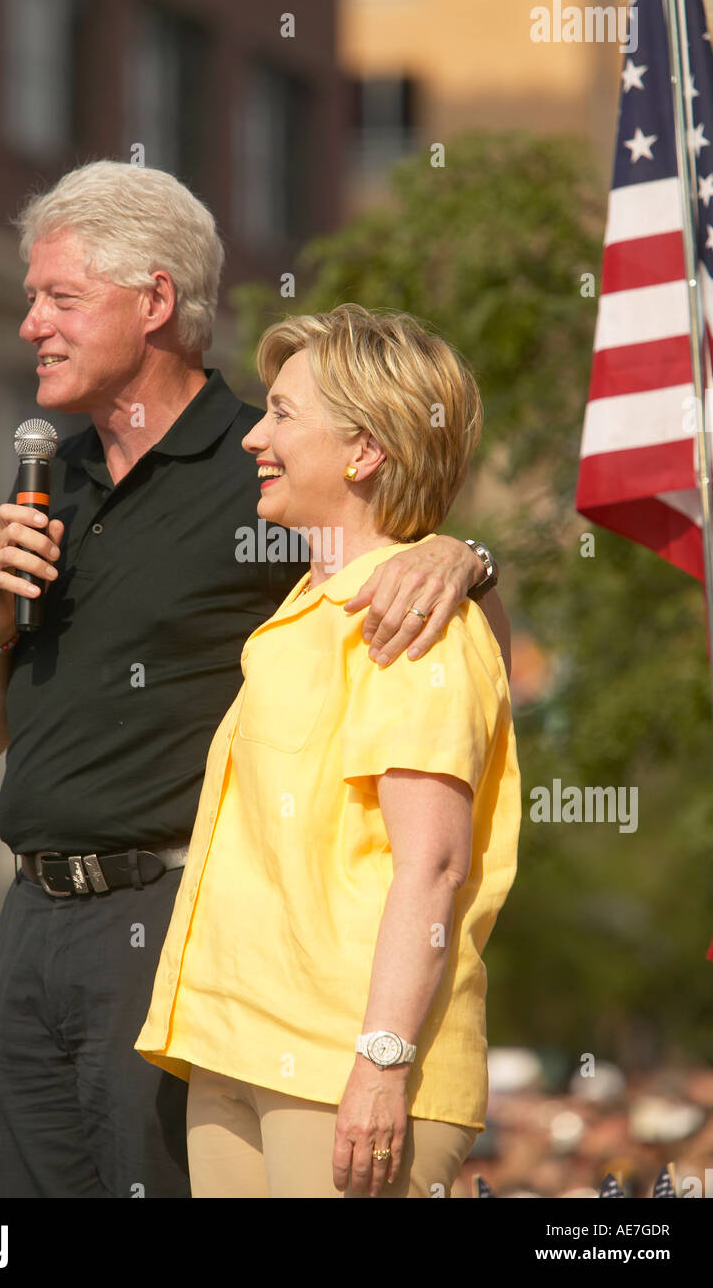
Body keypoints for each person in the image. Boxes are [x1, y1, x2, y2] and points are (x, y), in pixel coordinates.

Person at [0, 160, 508, 1199]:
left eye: (59, 297)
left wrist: (461, 556)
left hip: (167, 928)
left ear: (154, 301)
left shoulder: (264, 469)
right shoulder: (47, 479)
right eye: (29, 297)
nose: (29, 323)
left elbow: (414, 597)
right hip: (27, 925)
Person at [136, 304, 520, 1199]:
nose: (252, 439)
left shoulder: (407, 610)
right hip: (234, 1048)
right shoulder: (309, 611)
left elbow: (430, 862)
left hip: (344, 1058)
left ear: (365, 450)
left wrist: (382, 1063)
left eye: (281, 413)